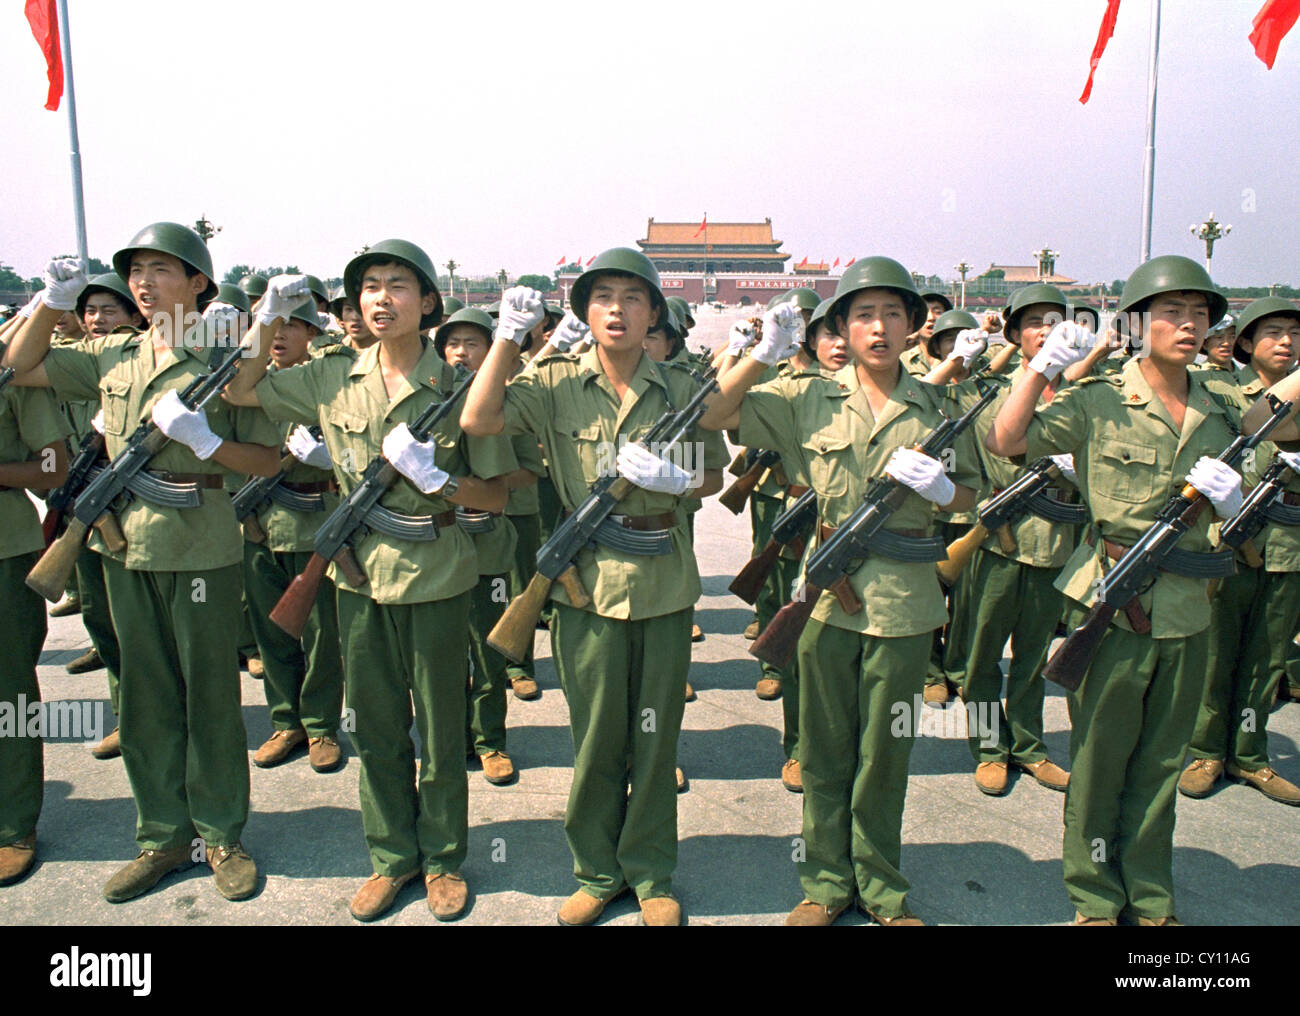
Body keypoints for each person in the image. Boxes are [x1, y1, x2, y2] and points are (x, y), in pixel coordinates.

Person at [222, 240, 513, 923]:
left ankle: (442, 859)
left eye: (398, 285)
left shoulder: (463, 386)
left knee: (441, 732)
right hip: (357, 579)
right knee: (377, 727)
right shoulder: (330, 378)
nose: (381, 298)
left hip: (437, 573)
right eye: (370, 288)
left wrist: (441, 481)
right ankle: (392, 858)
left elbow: (497, 497)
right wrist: (269, 314)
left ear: (429, 302)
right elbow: (240, 388)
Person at [4, 224, 285, 904]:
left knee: (210, 700)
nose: (142, 281)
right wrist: (51, 301)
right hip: (124, 549)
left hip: (200, 552)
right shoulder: (111, 354)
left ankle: (219, 835)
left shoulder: (226, 359)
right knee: (146, 699)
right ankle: (161, 836)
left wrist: (210, 443)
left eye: (162, 269)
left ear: (198, 284)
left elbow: (268, 460)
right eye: (136, 270)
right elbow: (25, 362)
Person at [700, 257, 982, 926]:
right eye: (862, 315)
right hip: (825, 597)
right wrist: (763, 354)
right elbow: (714, 412)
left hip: (907, 604)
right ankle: (825, 882)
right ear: (840, 328)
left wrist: (945, 493)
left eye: (891, 314)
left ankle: (882, 887)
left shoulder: (943, 405)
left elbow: (975, 495)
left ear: (914, 326)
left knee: (886, 755)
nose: (878, 328)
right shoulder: (804, 397)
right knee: (824, 753)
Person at [461, 248, 726, 926]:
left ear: (653, 314)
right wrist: (506, 338)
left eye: (632, 298)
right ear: (584, 313)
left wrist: (674, 482)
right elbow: (480, 420)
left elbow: (712, 479)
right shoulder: (553, 384)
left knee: (655, 736)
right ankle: (596, 870)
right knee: (597, 738)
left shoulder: (683, 386)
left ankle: (652, 873)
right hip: (584, 588)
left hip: (664, 582)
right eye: (602, 297)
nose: (617, 309)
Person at [987, 255, 1245, 925]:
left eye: (1200, 314)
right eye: (1171, 313)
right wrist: (1043, 368)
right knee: (1101, 761)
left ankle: (1151, 894)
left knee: (1161, 761)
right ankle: (1096, 896)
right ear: (1137, 324)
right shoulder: (1101, 398)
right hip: (1111, 598)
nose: (1188, 325)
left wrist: (1237, 501)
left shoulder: (1221, 409)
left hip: (1188, 608)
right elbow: (1008, 438)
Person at [925, 288, 1077, 795]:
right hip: (998, 542)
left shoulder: (1088, 394)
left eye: (1056, 321)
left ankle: (1030, 746)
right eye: (1034, 322)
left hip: (1059, 544)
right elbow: (926, 397)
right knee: (983, 655)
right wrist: (957, 360)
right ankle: (991, 746)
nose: (1046, 329)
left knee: (1034, 657)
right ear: (1015, 335)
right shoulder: (988, 390)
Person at [1180, 297, 1300, 806]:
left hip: (1290, 545)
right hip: (1232, 539)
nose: (1287, 342)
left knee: (1267, 656)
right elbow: (1253, 423)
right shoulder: (1220, 390)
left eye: (1295, 333)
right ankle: (1205, 749)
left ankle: (1248, 754)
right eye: (1273, 332)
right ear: (1247, 342)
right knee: (1217, 652)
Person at [241, 295, 346, 775]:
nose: (279, 335)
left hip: (314, 524)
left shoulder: (329, 381)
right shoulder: (242, 388)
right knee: (271, 633)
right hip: (259, 526)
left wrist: (329, 459)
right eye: (272, 325)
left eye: (292, 326)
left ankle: (322, 724)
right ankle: (286, 721)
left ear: (311, 334)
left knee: (322, 635)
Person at [435, 306, 538, 783]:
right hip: (438, 542)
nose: (461, 352)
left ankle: (490, 741)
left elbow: (528, 469)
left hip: (489, 543)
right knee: (444, 652)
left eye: (472, 344)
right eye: (453, 344)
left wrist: (474, 482)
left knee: (488, 648)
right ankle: (451, 740)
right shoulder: (429, 400)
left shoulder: (506, 403)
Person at [0, 305, 70, 887]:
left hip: (3, 550)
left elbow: (53, 466)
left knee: (7, 696)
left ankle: (13, 824)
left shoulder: (10, 371)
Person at [63, 273, 143, 760]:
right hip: (83, 511)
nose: (97, 320)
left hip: (131, 515)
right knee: (101, 617)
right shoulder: (76, 369)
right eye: (89, 311)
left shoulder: (135, 363)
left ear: (134, 317)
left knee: (137, 628)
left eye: (109, 310)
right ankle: (126, 712)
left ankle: (150, 717)